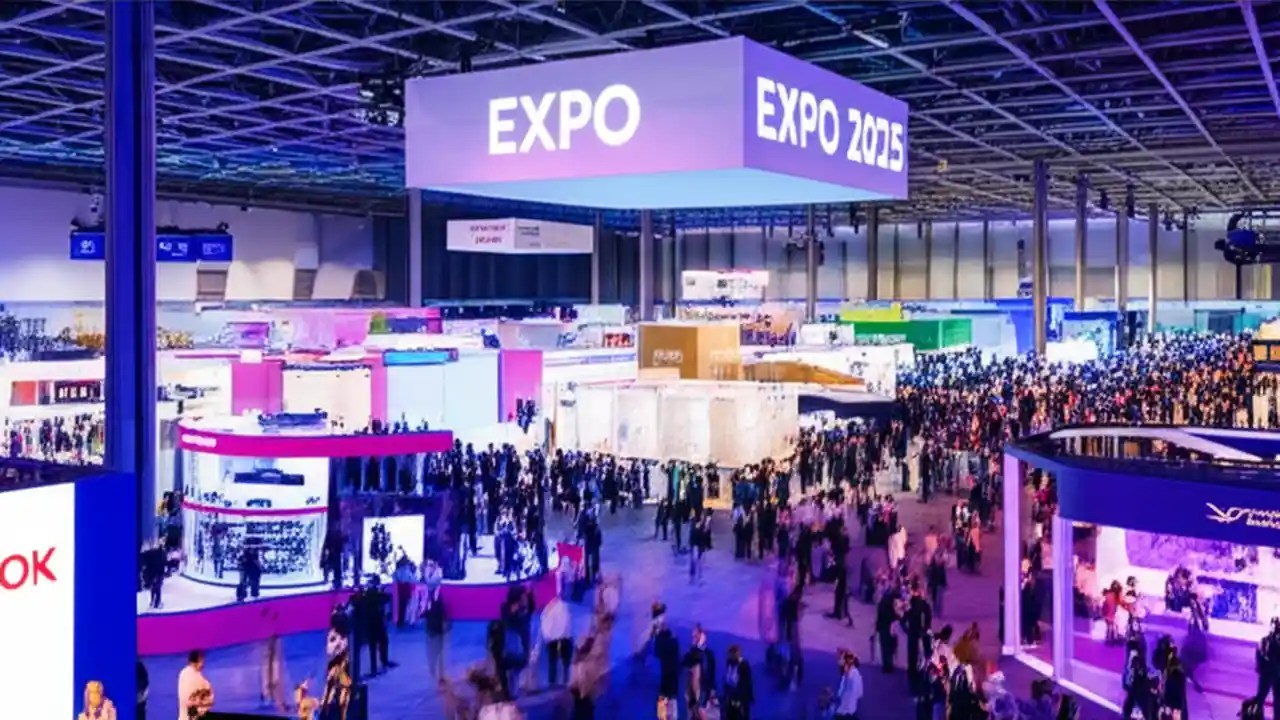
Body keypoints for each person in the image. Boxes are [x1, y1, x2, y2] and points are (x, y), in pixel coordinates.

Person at [541, 586, 573, 686]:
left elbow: (545, 625)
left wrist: (547, 637)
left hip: (553, 639)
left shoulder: (547, 609)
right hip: (564, 638)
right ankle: (565, 679)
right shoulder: (563, 607)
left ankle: (553, 681)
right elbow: (567, 623)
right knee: (564, 661)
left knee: (553, 660)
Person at [177, 649, 214, 719]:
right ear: (198, 660)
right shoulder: (188, 675)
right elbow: (188, 701)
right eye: (202, 660)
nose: (203, 664)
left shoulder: (195, 674)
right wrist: (206, 702)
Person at [721, 645, 754, 720]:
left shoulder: (744, 664)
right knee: (730, 712)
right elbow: (727, 675)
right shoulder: (729, 662)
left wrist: (746, 695)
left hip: (740, 695)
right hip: (731, 692)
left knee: (739, 713)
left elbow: (747, 681)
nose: (729, 656)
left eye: (731, 654)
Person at [424, 587, 448, 680]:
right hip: (436, 630)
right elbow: (443, 616)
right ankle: (438, 671)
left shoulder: (430, 603)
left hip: (433, 630)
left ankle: (434, 670)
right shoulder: (438, 603)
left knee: (434, 652)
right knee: (437, 652)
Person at [834, 650, 864, 720]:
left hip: (847, 711)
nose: (838, 662)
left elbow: (853, 693)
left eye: (841, 659)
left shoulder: (853, 675)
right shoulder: (848, 674)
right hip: (846, 710)